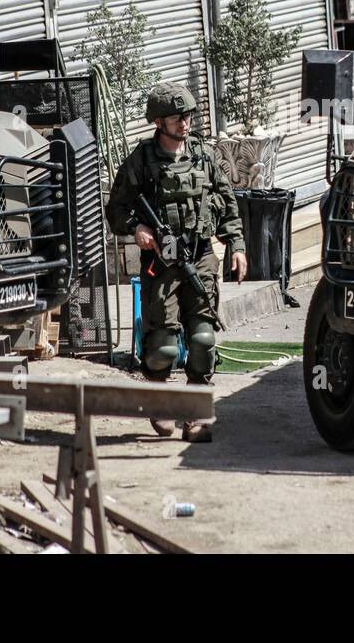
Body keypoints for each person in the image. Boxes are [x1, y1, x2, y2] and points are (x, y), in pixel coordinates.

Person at [106, 83, 247, 443]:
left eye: (188, 116)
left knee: (203, 338)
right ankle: (159, 398)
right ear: (158, 122)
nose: (185, 122)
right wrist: (137, 228)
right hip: (162, 262)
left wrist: (236, 245)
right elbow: (116, 208)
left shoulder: (204, 155)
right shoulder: (142, 160)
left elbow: (226, 201)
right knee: (164, 345)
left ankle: (196, 413)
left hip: (200, 256)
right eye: (176, 118)